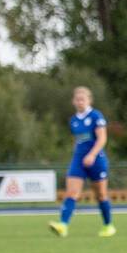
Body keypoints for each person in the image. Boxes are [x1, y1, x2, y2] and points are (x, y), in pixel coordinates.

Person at [48, 86, 116, 238]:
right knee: (72, 192)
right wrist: (78, 155)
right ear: (73, 101)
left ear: (89, 100)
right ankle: (63, 226)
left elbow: (102, 138)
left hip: (96, 160)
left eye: (82, 99)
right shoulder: (73, 121)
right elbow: (78, 141)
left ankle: (108, 225)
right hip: (78, 160)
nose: (80, 102)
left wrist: (91, 155)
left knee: (101, 195)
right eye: (77, 99)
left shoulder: (96, 116)